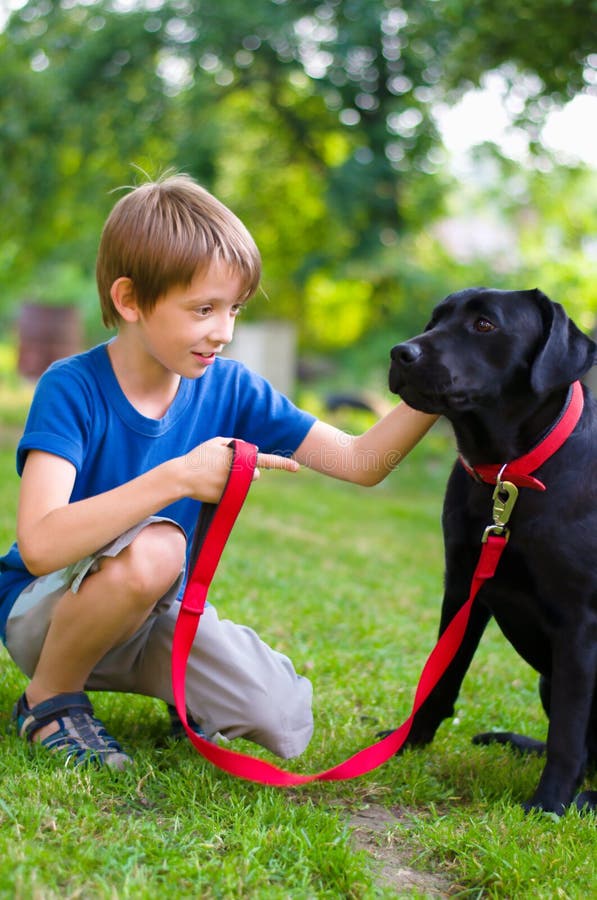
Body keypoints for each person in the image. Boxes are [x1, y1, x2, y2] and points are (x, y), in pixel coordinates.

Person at [0, 174, 437, 770]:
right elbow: (42, 543)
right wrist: (177, 477)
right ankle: (48, 700)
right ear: (130, 301)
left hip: (151, 612)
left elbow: (362, 463)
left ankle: (175, 691)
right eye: (203, 309)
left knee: (283, 720)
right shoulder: (71, 387)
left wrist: (440, 389)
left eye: (232, 308)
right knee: (158, 548)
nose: (223, 330)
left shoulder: (230, 387)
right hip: (46, 611)